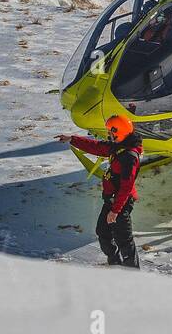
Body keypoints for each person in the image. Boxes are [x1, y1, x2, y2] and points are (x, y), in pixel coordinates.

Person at [56, 115, 142, 268]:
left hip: (120, 203)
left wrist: (115, 211)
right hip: (111, 201)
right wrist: (72, 139)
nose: (109, 135)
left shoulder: (129, 157)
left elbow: (126, 187)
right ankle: (115, 263)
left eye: (111, 132)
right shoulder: (118, 146)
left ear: (119, 132)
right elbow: (97, 146)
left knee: (124, 240)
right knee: (103, 232)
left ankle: (132, 273)